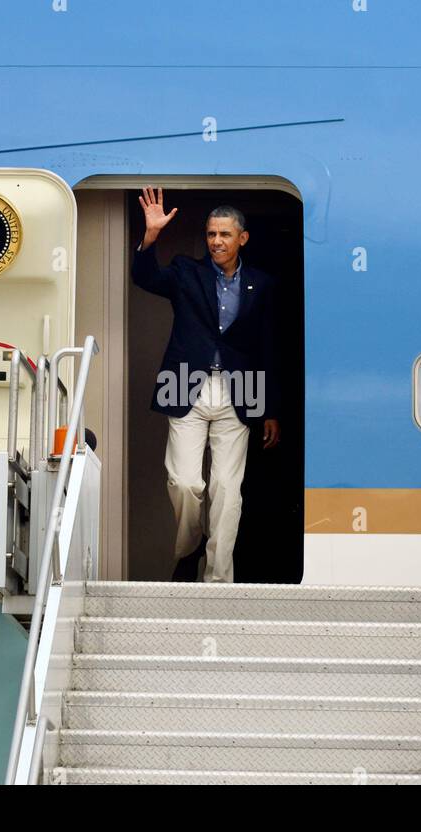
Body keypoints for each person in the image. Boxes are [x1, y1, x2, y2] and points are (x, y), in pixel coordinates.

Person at [132, 187, 280, 582]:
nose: (216, 241)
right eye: (211, 234)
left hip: (241, 391)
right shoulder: (185, 271)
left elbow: (267, 346)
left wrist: (270, 409)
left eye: (225, 235)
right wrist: (151, 236)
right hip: (184, 386)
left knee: (228, 492)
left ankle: (217, 579)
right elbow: (144, 276)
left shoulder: (261, 284)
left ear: (242, 238)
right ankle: (189, 546)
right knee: (185, 483)